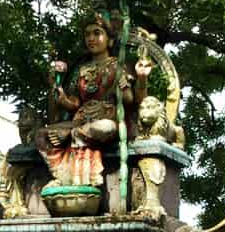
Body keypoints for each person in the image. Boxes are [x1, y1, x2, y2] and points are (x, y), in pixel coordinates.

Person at [34, 12, 153, 189]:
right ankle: (61, 174)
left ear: (110, 40)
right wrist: (64, 99)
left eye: (97, 33)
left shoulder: (118, 65)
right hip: (80, 120)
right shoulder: (81, 70)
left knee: (103, 127)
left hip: (107, 120)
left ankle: (76, 152)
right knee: (41, 135)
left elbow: (131, 101)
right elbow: (75, 103)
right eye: (87, 34)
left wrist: (138, 81)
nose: (91, 38)